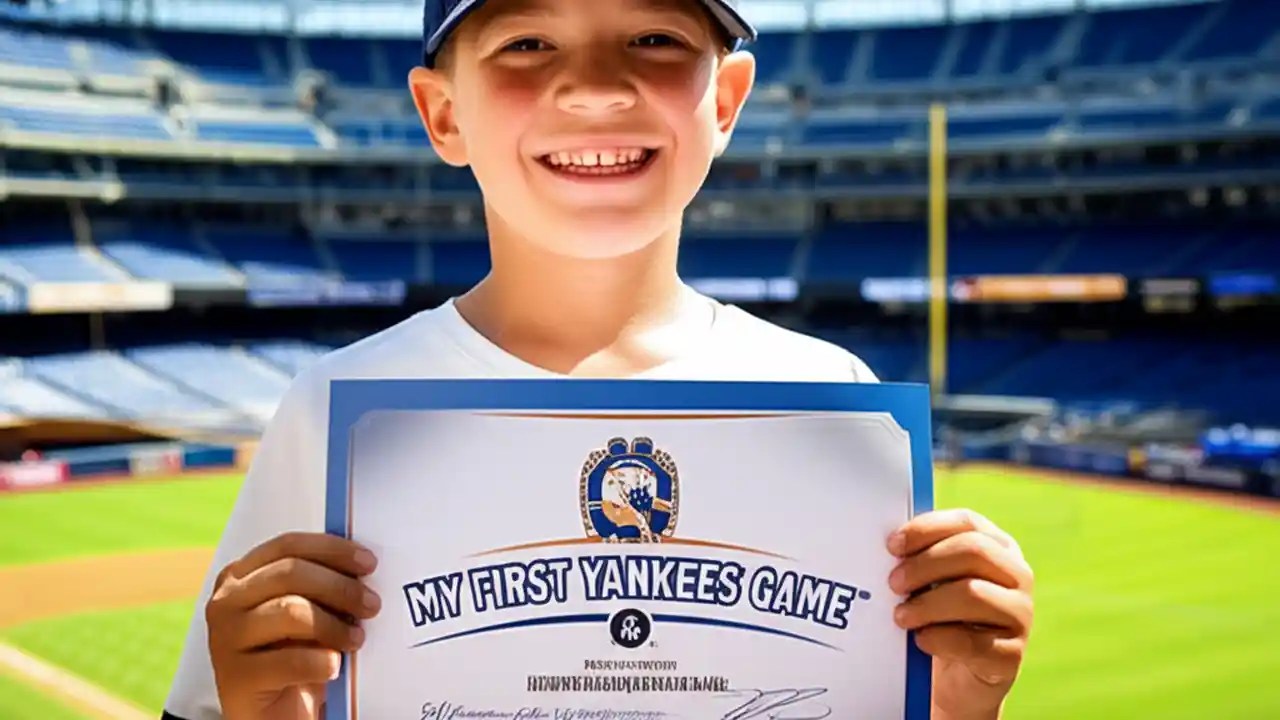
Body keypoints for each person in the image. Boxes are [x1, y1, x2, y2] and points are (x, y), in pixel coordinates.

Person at [161, 0, 1035, 718]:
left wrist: (958, 706)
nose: (593, 87)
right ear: (443, 113)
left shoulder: (836, 400)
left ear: (725, 101)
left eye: (654, 38)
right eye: (527, 42)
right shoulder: (335, 406)